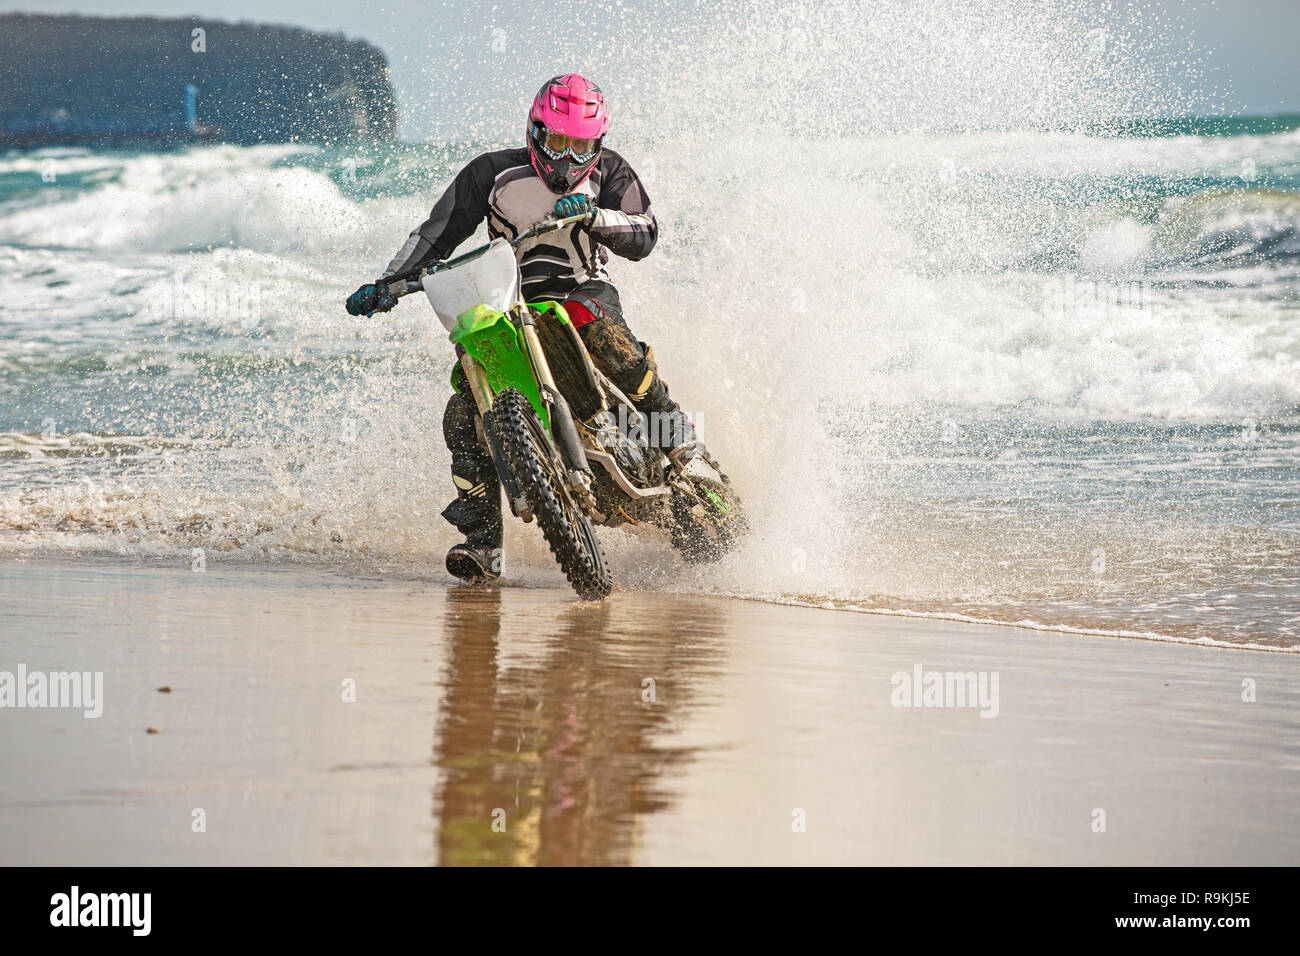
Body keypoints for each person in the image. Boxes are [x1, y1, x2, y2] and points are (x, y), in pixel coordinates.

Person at [346, 73, 701, 583]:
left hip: (583, 291)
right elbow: (435, 235)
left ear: (596, 143)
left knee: (597, 326)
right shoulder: (491, 174)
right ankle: (482, 543)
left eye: (581, 145)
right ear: (535, 131)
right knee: (465, 403)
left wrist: (596, 217)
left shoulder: (610, 171)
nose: (568, 157)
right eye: (558, 141)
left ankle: (672, 426)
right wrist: (386, 284)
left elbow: (645, 232)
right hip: (509, 306)